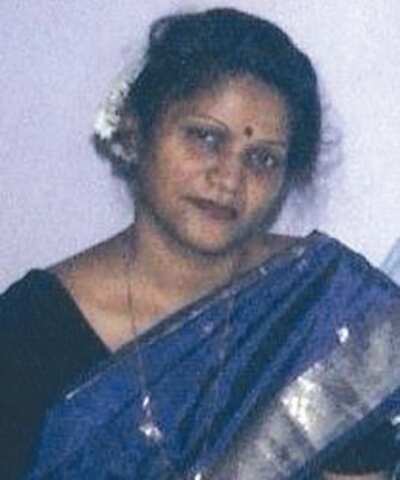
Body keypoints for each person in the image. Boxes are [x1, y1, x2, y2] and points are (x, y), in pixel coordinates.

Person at [1, 7, 399, 480]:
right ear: (135, 129)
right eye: (206, 138)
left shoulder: (322, 311)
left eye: (262, 159)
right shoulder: (31, 332)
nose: (229, 178)